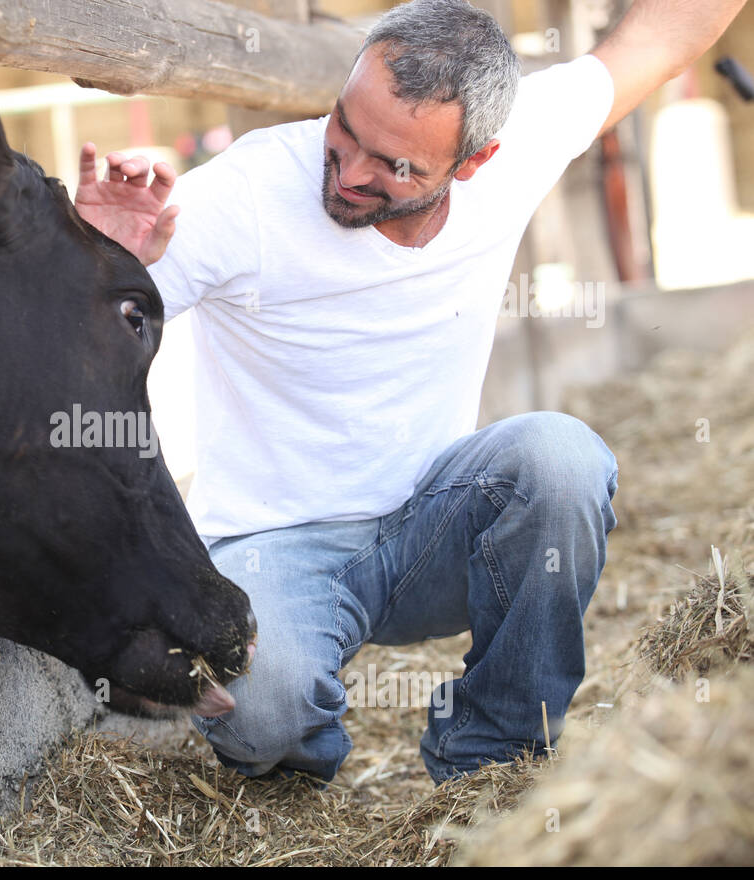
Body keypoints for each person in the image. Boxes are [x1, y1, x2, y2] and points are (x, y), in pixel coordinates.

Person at [74, 0, 747, 784]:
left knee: (562, 461)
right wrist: (95, 259)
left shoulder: (521, 144)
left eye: (396, 166)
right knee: (260, 712)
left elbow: (658, 39)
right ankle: (299, 753)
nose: (353, 171)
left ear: (474, 161)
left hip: (435, 524)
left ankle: (495, 760)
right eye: (346, 131)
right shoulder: (241, 196)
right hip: (273, 544)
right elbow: (68, 343)